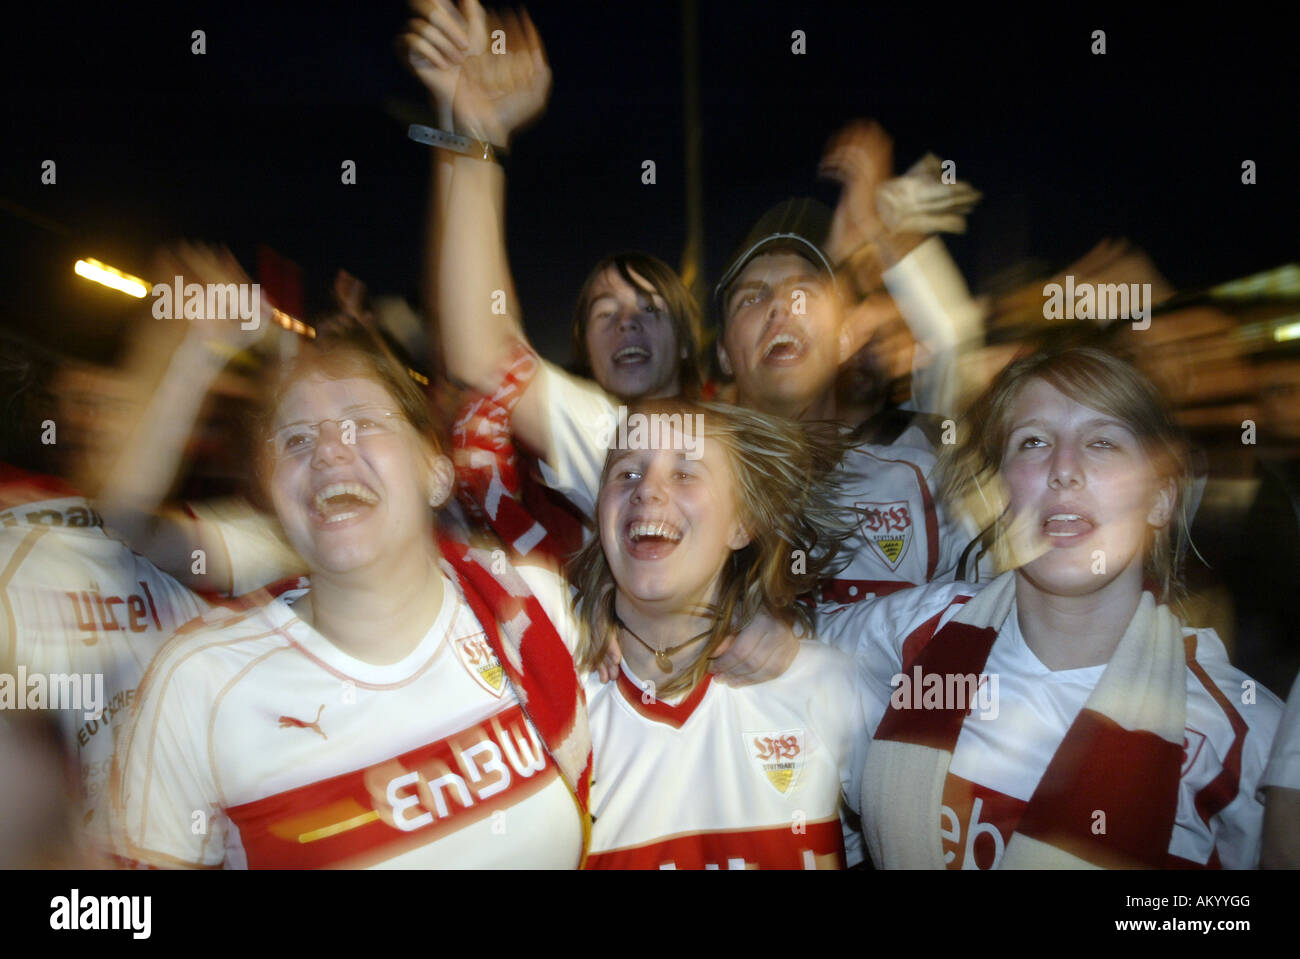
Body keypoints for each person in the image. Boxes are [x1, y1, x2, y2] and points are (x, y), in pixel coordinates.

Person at [111, 329, 592, 868]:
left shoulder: (530, 608)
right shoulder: (199, 681)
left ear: (436, 474)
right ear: (272, 498)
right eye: (295, 440)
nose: (328, 452)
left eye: (362, 423)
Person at [819, 346, 1282, 868]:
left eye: (1102, 442)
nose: (1064, 469)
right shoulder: (907, 633)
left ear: (1161, 499)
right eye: (1033, 442)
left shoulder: (1244, 741)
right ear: (1001, 494)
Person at [570, 398, 869, 868]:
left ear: (742, 523)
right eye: (627, 472)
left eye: (685, 473)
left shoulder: (826, 682)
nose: (647, 490)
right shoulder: (558, 709)